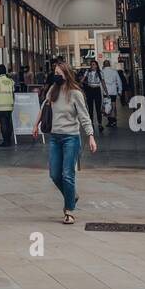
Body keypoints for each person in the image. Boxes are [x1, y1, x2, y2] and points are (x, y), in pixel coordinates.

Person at [37, 60, 96, 224]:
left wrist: (90, 135)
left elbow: (84, 117)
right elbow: (44, 108)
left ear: (67, 74)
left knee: (67, 174)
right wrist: (36, 125)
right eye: (54, 73)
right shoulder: (52, 90)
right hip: (55, 138)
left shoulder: (75, 93)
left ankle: (69, 210)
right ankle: (72, 196)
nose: (56, 76)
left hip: (71, 137)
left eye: (59, 73)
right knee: (54, 174)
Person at [0, 64, 15, 146]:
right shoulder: (11, 81)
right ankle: (9, 140)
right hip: (9, 105)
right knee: (8, 123)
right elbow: (13, 92)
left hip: (0, 106)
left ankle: (6, 141)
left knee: (3, 124)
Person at [82, 60, 104, 127]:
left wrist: (107, 93)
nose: (92, 66)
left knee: (98, 108)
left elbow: (103, 83)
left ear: (96, 65)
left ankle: (100, 124)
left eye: (93, 64)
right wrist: (80, 83)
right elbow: (82, 80)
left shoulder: (100, 72)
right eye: (91, 64)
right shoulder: (87, 72)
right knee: (90, 108)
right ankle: (91, 124)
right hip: (89, 90)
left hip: (97, 90)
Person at [102, 63, 123, 128]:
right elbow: (119, 81)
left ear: (104, 65)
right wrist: (120, 90)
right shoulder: (114, 71)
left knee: (107, 106)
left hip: (106, 92)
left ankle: (110, 121)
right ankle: (114, 121)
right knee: (113, 106)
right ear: (110, 64)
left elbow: (100, 82)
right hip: (113, 91)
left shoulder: (102, 72)